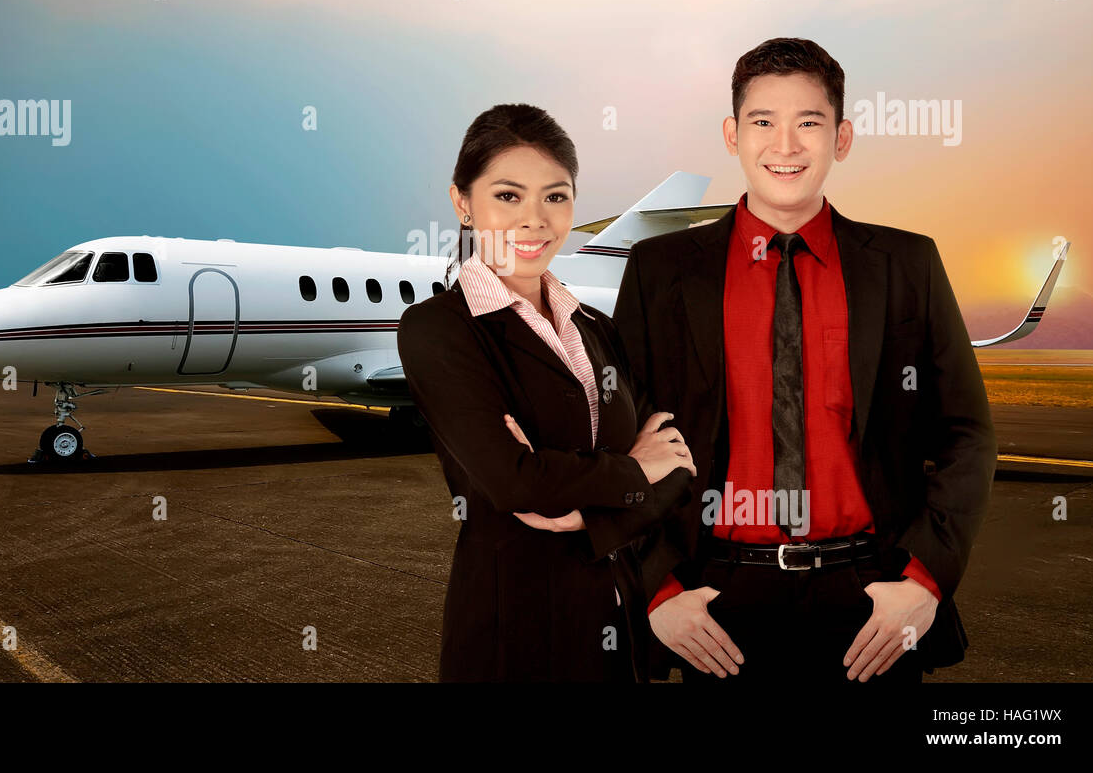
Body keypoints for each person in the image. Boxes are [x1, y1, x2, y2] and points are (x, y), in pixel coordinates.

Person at [614, 39, 996, 684]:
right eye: (763, 122)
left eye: (809, 123)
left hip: (873, 601)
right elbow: (617, 439)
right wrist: (656, 588)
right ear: (733, 134)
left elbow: (968, 434)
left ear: (841, 137)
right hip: (715, 605)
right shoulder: (661, 271)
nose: (785, 145)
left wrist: (924, 580)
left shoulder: (907, 266)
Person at [397, 103, 695, 682]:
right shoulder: (439, 327)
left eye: (555, 197)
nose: (535, 220)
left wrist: (588, 514)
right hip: (515, 628)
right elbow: (514, 481)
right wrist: (634, 471)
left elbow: (679, 465)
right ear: (462, 202)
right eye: (508, 196)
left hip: (621, 623)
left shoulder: (597, 329)